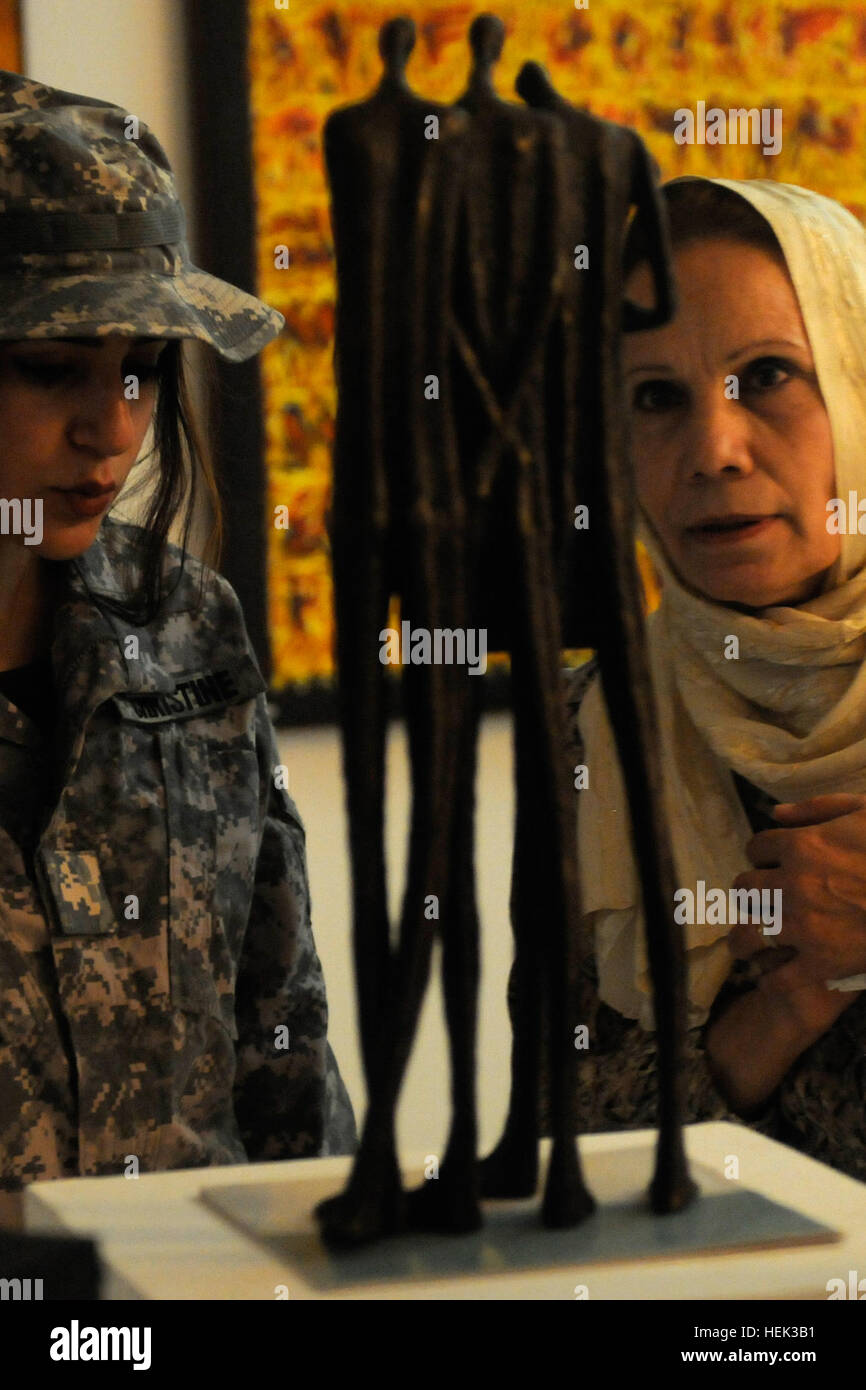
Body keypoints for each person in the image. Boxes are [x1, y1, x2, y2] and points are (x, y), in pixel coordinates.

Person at [0, 70, 356, 1197]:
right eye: (52, 366)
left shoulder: (190, 625)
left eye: (141, 371)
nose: (109, 428)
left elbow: (281, 1024)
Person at [568, 175, 866, 1182]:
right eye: (654, 398)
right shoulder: (594, 731)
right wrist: (788, 1000)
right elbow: (566, 1150)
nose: (712, 450)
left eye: (769, 375)